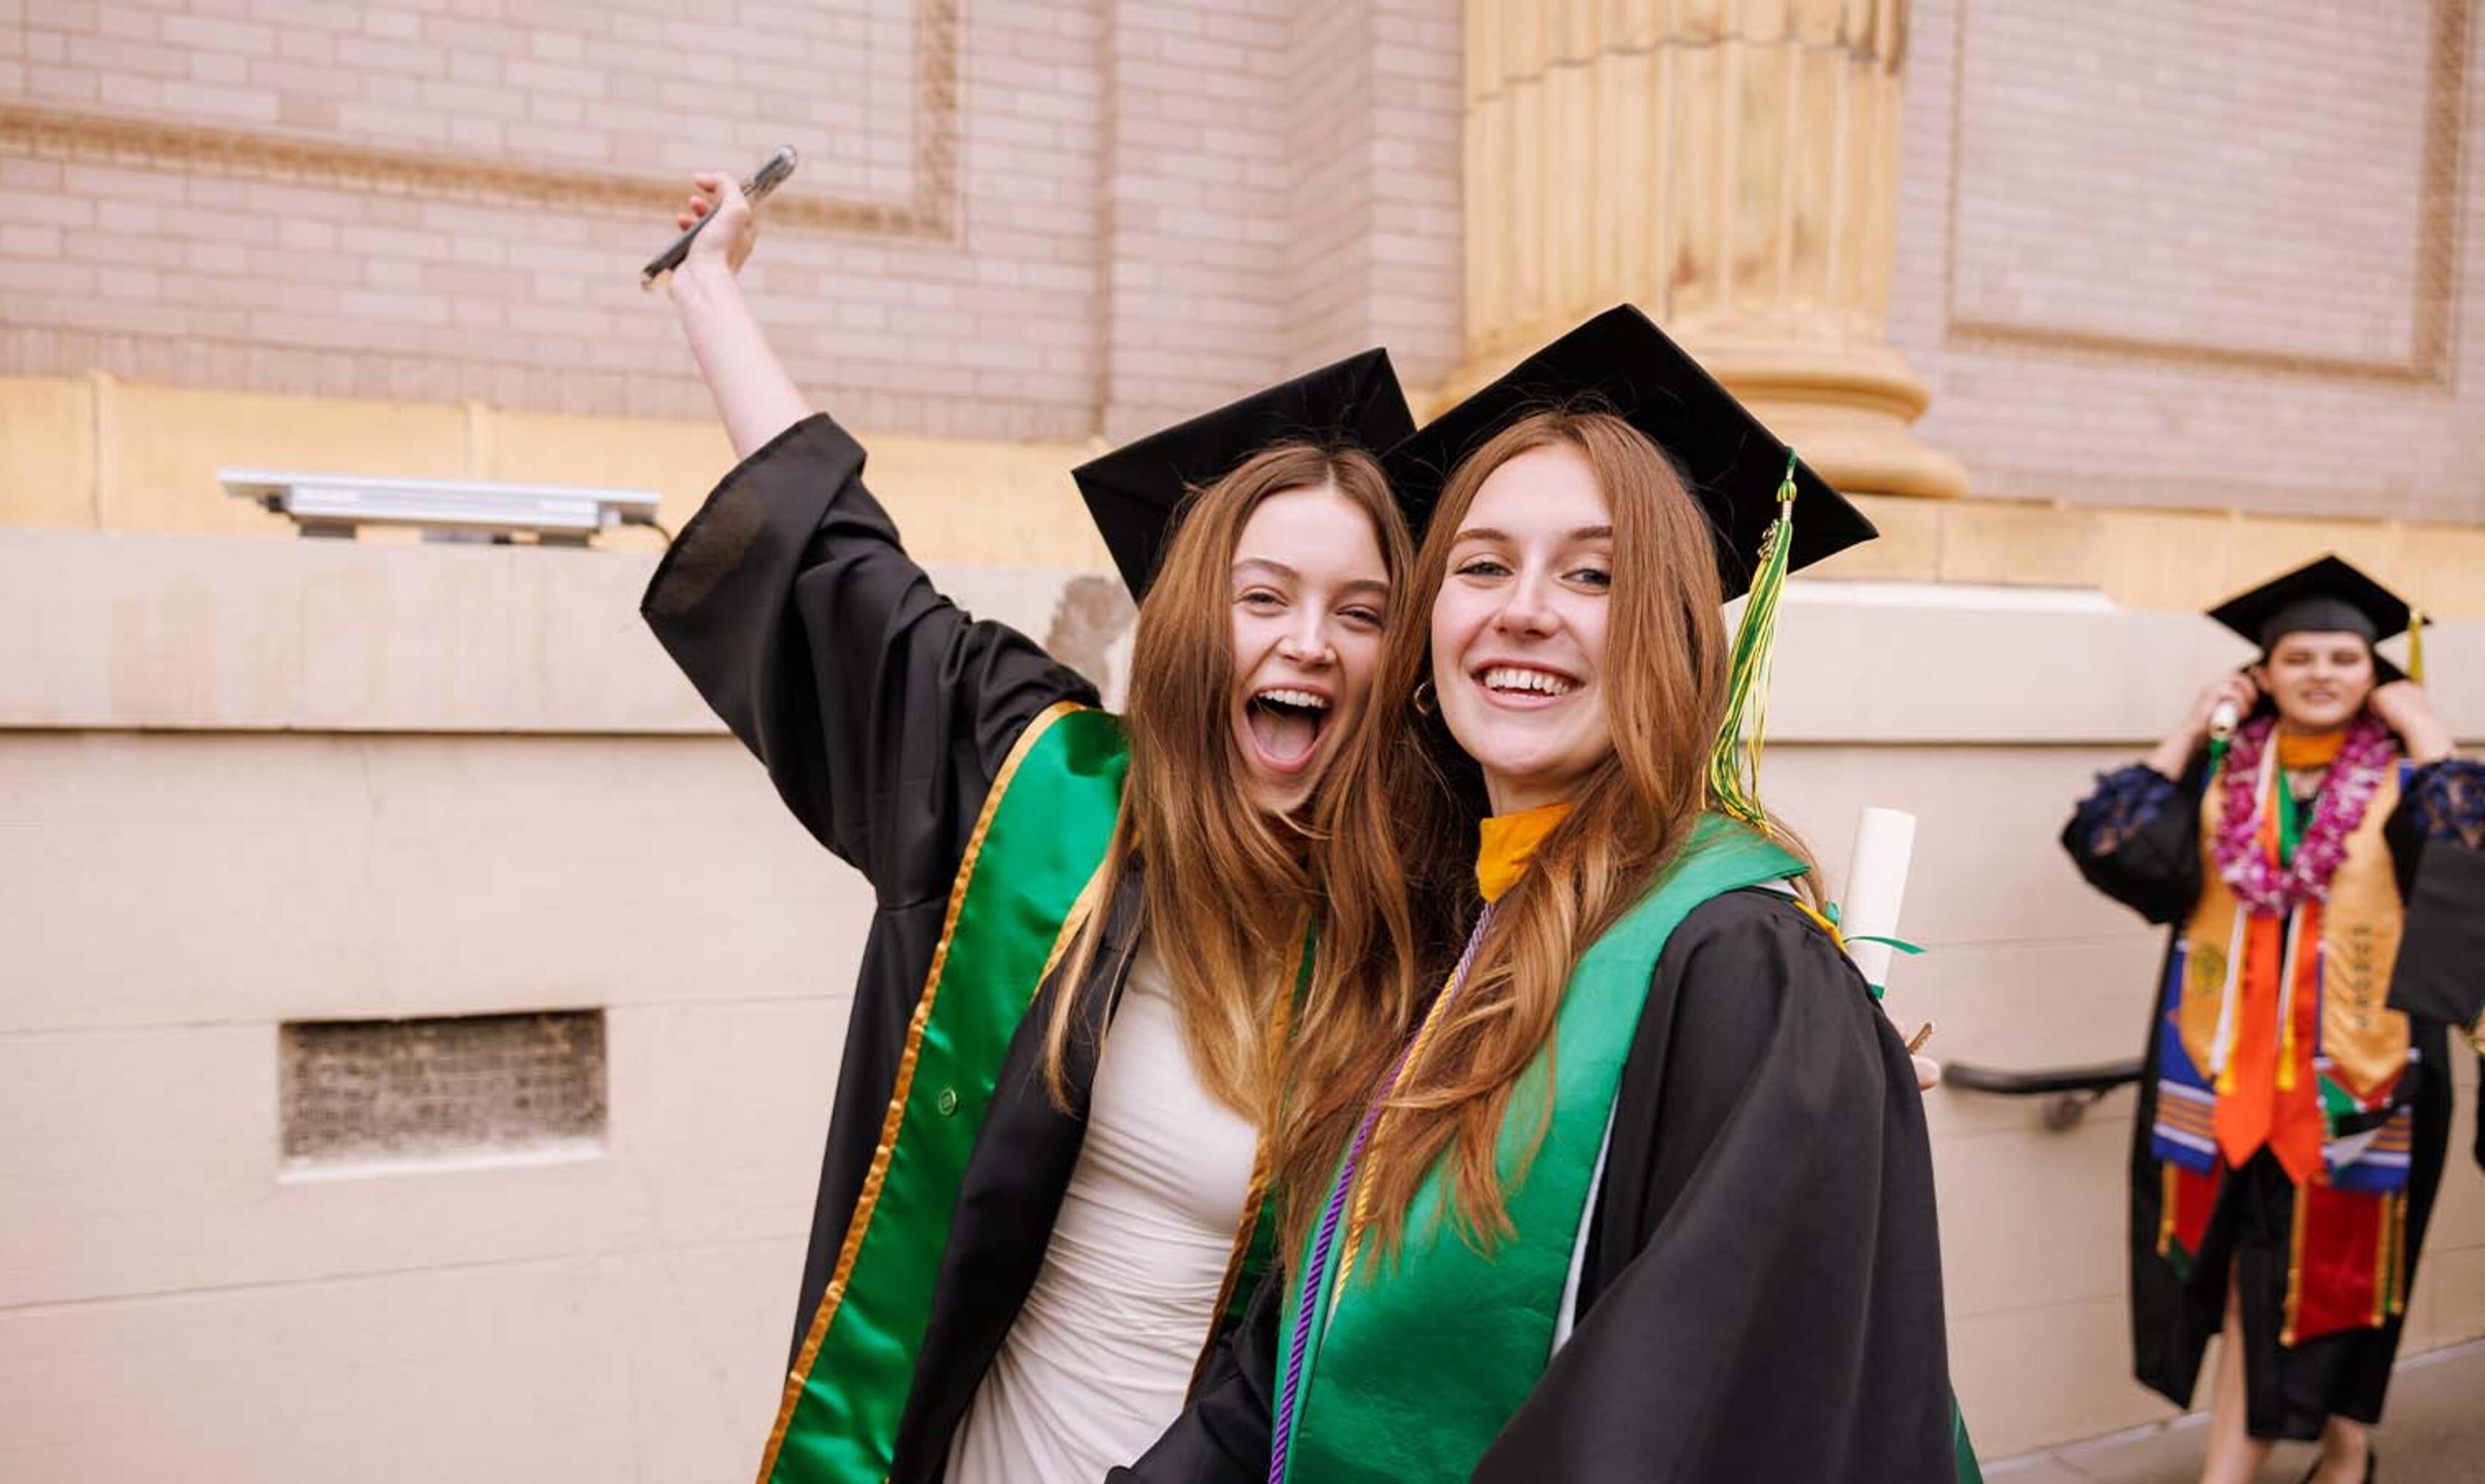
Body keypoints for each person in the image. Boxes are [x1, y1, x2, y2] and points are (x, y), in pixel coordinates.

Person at [645, 174, 1416, 1484]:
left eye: (1360, 611)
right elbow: (848, 573)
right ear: (1186, 626)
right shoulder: (1047, 795)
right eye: (1265, 595)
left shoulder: (1418, 926)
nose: (1308, 642)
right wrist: (710, 289)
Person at [1120, 307, 1969, 1484]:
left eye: (1594, 574)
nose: (1525, 608)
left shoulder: (1736, 962)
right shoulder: (1457, 934)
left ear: (1672, 636)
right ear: (1429, 635)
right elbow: (1301, 1347)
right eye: (1481, 565)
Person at [2059, 555, 2481, 1484]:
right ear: (2264, 672)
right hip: (2221, 1072)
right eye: (2298, 657)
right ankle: (2248, 1469)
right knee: (2256, 1276)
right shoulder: (2224, 775)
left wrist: (2429, 735)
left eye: (2345, 655)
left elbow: (2469, 869)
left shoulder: (2410, 783)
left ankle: (2344, 1450)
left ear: (2378, 674)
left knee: (2352, 1278)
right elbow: (2109, 841)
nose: (2322, 672)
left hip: (2371, 1075)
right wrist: (2189, 728)